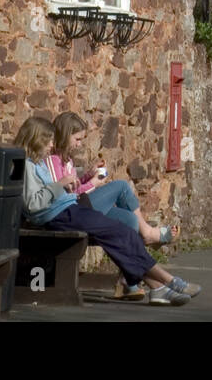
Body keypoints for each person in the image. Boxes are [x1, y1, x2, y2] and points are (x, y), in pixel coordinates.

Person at [17, 116, 200, 305]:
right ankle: (168, 280)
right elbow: (33, 204)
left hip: (67, 209)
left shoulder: (36, 162)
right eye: (49, 141)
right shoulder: (29, 165)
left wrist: (69, 183)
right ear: (36, 139)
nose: (52, 145)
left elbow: (47, 195)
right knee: (120, 231)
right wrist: (61, 185)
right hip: (60, 215)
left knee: (122, 232)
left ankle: (158, 286)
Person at [50, 111, 176, 246]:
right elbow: (63, 196)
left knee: (130, 221)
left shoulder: (67, 159)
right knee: (121, 187)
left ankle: (132, 261)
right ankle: (148, 234)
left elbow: (74, 186)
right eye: (77, 139)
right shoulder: (53, 160)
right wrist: (93, 184)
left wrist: (89, 175)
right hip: (72, 212)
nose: (79, 144)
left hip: (80, 205)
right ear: (64, 135)